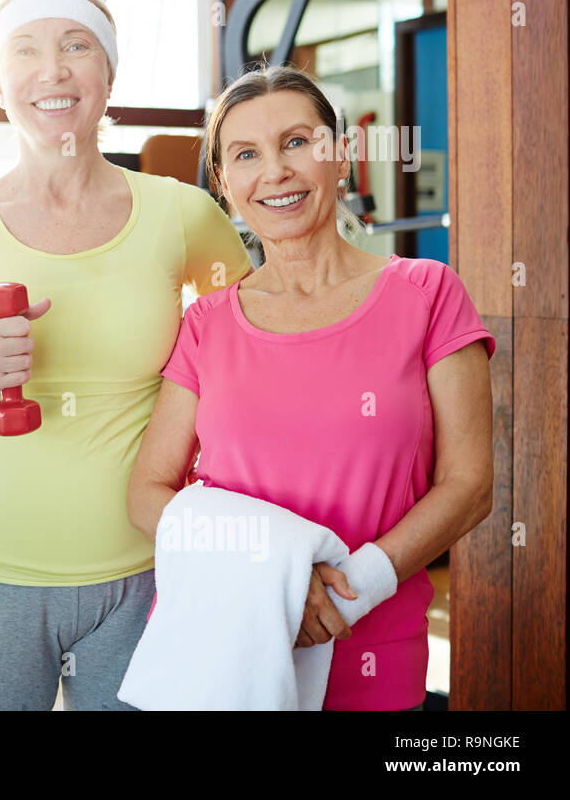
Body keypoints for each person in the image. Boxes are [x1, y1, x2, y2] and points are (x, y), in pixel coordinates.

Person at [0, 0, 253, 710]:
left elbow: (258, 366)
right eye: (25, 49)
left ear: (109, 77)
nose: (52, 70)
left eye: (77, 47)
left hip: (144, 574)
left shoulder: (185, 215)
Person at [127, 64, 494, 710]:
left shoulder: (428, 294)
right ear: (225, 184)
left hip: (371, 655)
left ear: (341, 155)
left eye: (297, 142)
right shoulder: (207, 323)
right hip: (222, 651)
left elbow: (469, 485)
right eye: (246, 154)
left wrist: (348, 592)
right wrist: (270, 577)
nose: (275, 171)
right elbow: (146, 492)